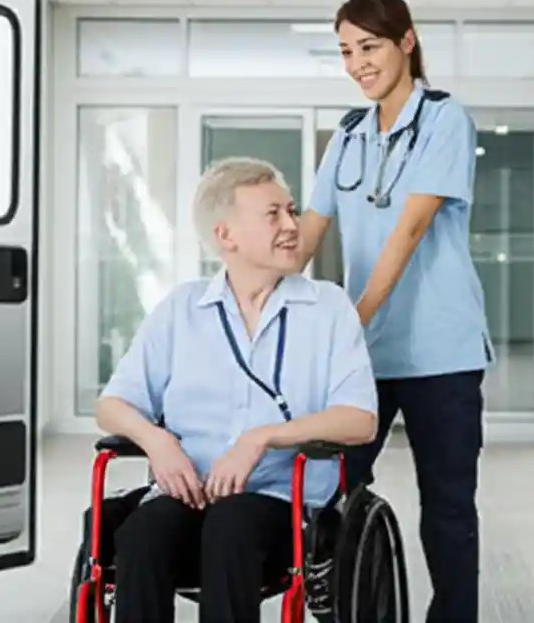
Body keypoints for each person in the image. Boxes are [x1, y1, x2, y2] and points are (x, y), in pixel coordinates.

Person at [95, 157, 379, 623]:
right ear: (226, 236)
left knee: (232, 526)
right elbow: (112, 405)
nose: (293, 225)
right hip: (189, 491)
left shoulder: (327, 308)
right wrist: (156, 441)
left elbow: (359, 419)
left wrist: (261, 437)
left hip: (281, 503)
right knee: (141, 532)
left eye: (291, 211)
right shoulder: (181, 308)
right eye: (274, 215)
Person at [297, 0, 494, 622]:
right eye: (346, 50)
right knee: (330, 485)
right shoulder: (348, 136)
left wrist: (351, 320)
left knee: (447, 508)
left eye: (370, 46)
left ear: (406, 42)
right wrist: (253, 296)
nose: (357, 62)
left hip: (441, 350)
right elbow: (310, 229)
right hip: (368, 358)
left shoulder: (444, 120)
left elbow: (409, 230)